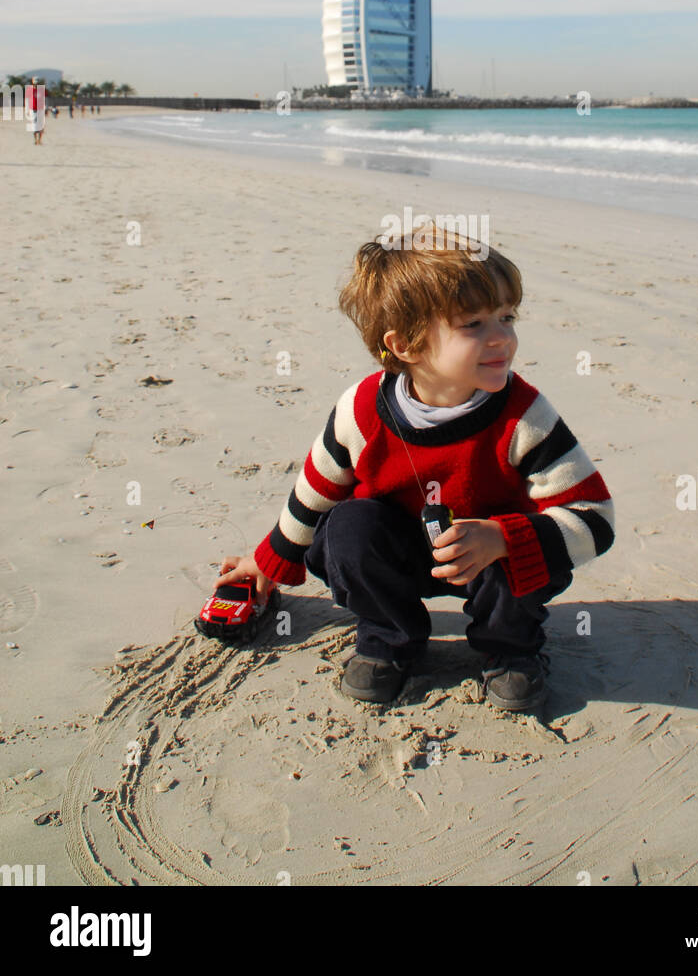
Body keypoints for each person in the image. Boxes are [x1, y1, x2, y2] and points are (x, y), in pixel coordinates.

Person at [214, 227, 615, 712]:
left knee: (524, 550)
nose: (502, 339)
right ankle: (389, 639)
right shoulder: (360, 411)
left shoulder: (524, 416)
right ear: (406, 345)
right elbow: (313, 494)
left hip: (490, 564)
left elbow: (595, 516)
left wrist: (503, 537)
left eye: (507, 317)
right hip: (399, 556)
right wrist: (267, 562)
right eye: (473, 324)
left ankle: (509, 647)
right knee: (346, 526)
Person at [24, 77, 45, 145]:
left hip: (40, 110)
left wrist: (45, 109)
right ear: (33, 82)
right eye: (35, 83)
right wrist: (26, 110)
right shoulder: (29, 90)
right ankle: (35, 140)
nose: (36, 84)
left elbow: (43, 100)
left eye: (37, 83)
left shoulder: (41, 90)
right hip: (33, 110)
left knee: (41, 126)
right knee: (34, 126)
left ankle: (40, 140)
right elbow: (27, 100)